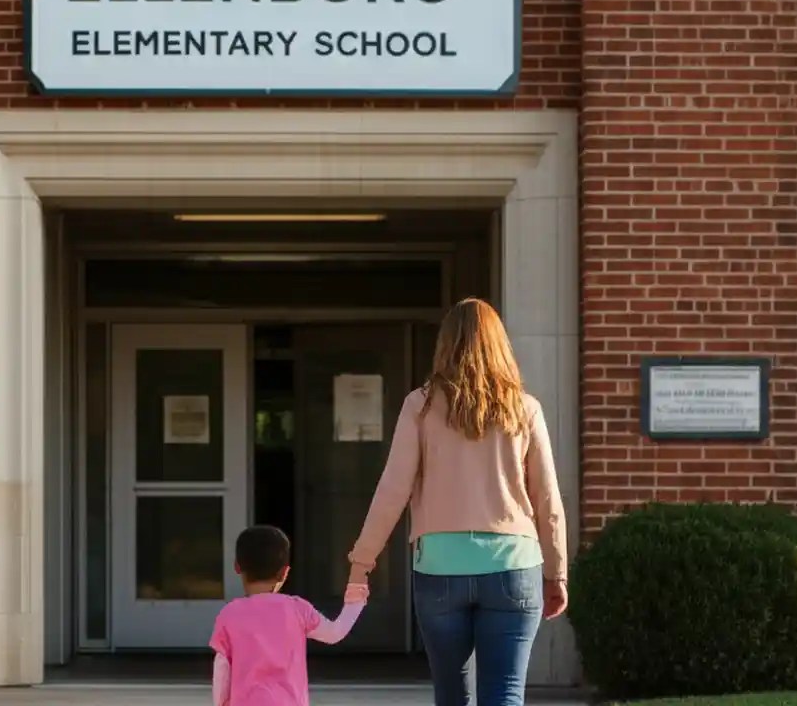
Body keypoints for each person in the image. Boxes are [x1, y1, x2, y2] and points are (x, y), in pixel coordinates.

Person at [346, 297, 569, 706]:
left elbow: (392, 490)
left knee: (451, 695)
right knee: (504, 693)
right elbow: (547, 500)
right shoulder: (525, 409)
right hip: (514, 565)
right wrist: (557, 574)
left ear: (445, 344)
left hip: (440, 568)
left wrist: (362, 563)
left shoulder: (422, 405)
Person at [211, 525, 369, 706]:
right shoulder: (297, 609)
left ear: (237, 567)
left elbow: (222, 669)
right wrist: (356, 597)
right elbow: (335, 632)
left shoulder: (229, 615)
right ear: (284, 572)